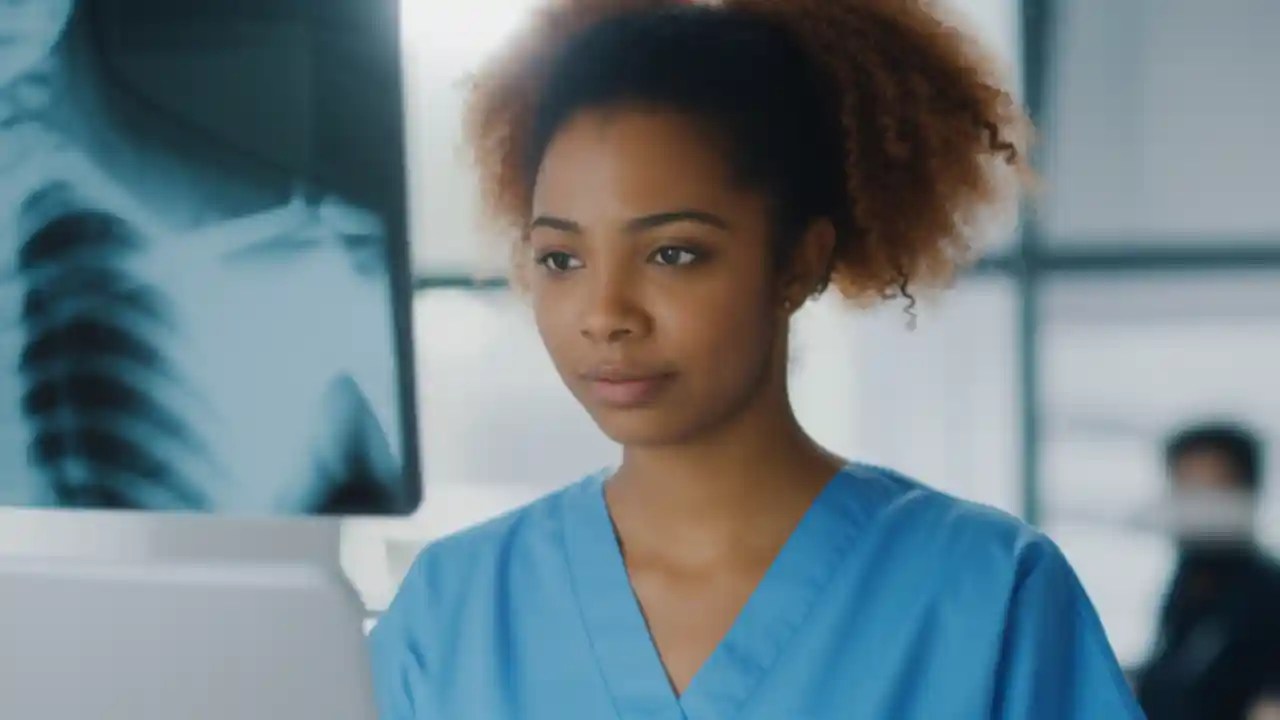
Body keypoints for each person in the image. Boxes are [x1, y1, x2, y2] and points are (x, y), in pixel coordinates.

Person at [370, 1, 1144, 717]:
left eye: (674, 253)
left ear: (797, 263)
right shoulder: (451, 609)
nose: (605, 315)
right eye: (561, 259)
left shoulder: (988, 592)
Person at [1137, 423, 1280, 720]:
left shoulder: (1267, 596)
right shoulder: (1187, 585)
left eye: (1210, 489)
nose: (1196, 506)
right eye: (1185, 489)